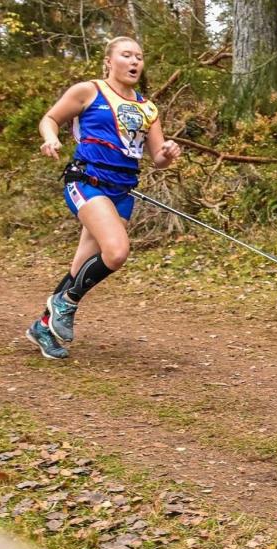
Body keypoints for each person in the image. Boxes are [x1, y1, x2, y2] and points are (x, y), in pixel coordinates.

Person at [25, 36, 182, 359]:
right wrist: (51, 139)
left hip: (121, 191)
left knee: (81, 265)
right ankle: (63, 304)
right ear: (109, 61)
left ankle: (42, 326)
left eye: (139, 56)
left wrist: (168, 152)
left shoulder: (147, 108)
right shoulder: (89, 91)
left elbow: (158, 159)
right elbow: (50, 118)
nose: (135, 61)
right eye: (126, 55)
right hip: (87, 181)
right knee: (117, 251)